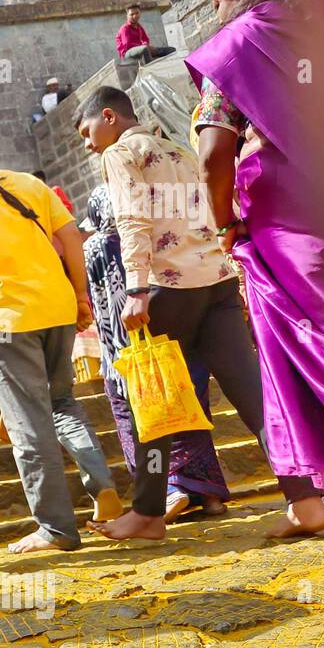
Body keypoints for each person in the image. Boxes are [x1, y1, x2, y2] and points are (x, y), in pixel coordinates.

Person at [75, 84, 319, 541]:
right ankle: (303, 499)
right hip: (216, 280)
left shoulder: (122, 153)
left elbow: (131, 219)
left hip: (167, 287)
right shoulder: (180, 148)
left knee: (151, 402)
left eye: (87, 131)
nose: (88, 144)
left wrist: (136, 288)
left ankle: (148, 512)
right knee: (253, 395)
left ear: (109, 117)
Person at [188, 0, 324, 528]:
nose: (215, 16)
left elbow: (214, 155)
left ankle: (312, 496)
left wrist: (226, 222)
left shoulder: (234, 47)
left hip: (292, 222)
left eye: (215, 2)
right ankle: (307, 500)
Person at [0, 137, 123, 555]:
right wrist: (79, 294)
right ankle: (103, 489)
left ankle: (55, 527)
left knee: (27, 425)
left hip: (8, 321)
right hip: (56, 308)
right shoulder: (27, 183)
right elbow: (71, 236)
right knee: (62, 403)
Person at [79, 182, 230, 521]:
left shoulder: (94, 248)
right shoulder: (152, 235)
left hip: (126, 351)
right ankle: (209, 497)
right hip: (173, 341)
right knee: (189, 412)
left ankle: (169, 492)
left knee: (140, 423)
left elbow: (104, 306)